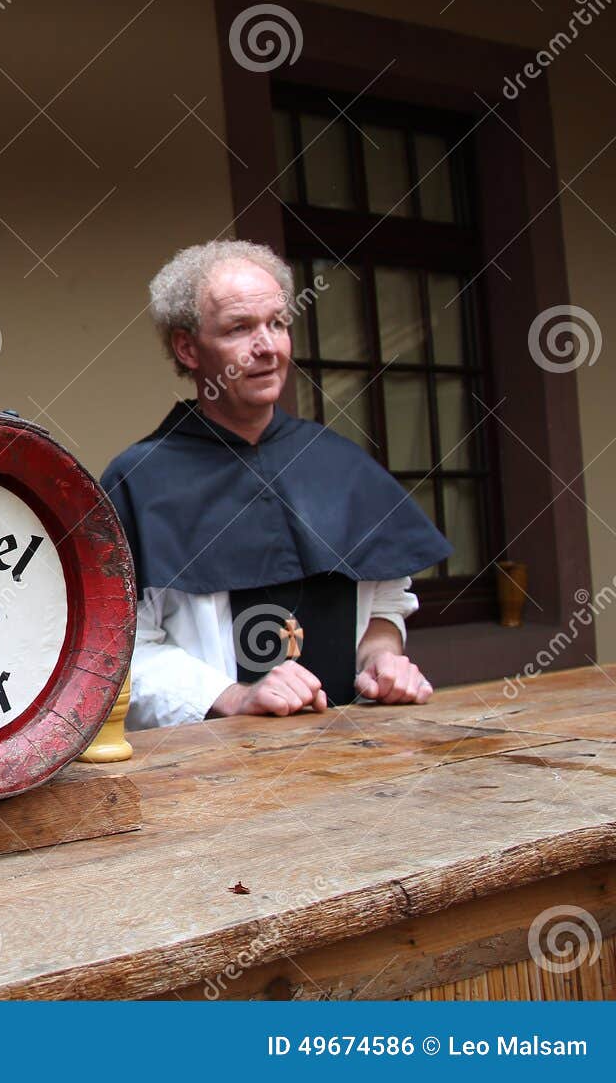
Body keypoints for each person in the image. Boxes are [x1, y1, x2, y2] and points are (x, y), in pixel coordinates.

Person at [100, 240, 451, 730]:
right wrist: (235, 697)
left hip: (358, 762)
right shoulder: (137, 482)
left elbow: (387, 602)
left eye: (278, 324)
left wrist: (381, 658)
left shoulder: (343, 464)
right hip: (214, 777)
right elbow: (116, 656)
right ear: (187, 347)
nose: (267, 347)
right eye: (240, 329)